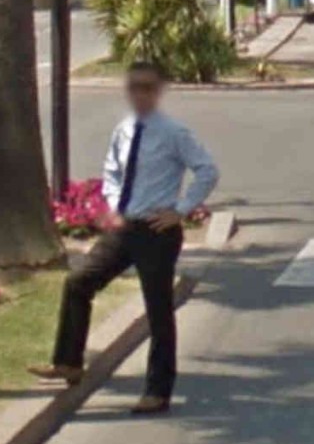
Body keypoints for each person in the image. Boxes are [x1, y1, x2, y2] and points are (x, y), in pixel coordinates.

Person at [29, 62, 219, 415]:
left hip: (157, 231)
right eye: (134, 87)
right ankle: (69, 362)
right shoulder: (125, 129)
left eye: (148, 87)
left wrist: (180, 209)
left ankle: (158, 391)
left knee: (158, 309)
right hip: (125, 228)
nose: (141, 94)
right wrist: (115, 206)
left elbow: (207, 170)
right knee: (78, 282)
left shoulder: (174, 132)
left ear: (158, 92)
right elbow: (112, 171)